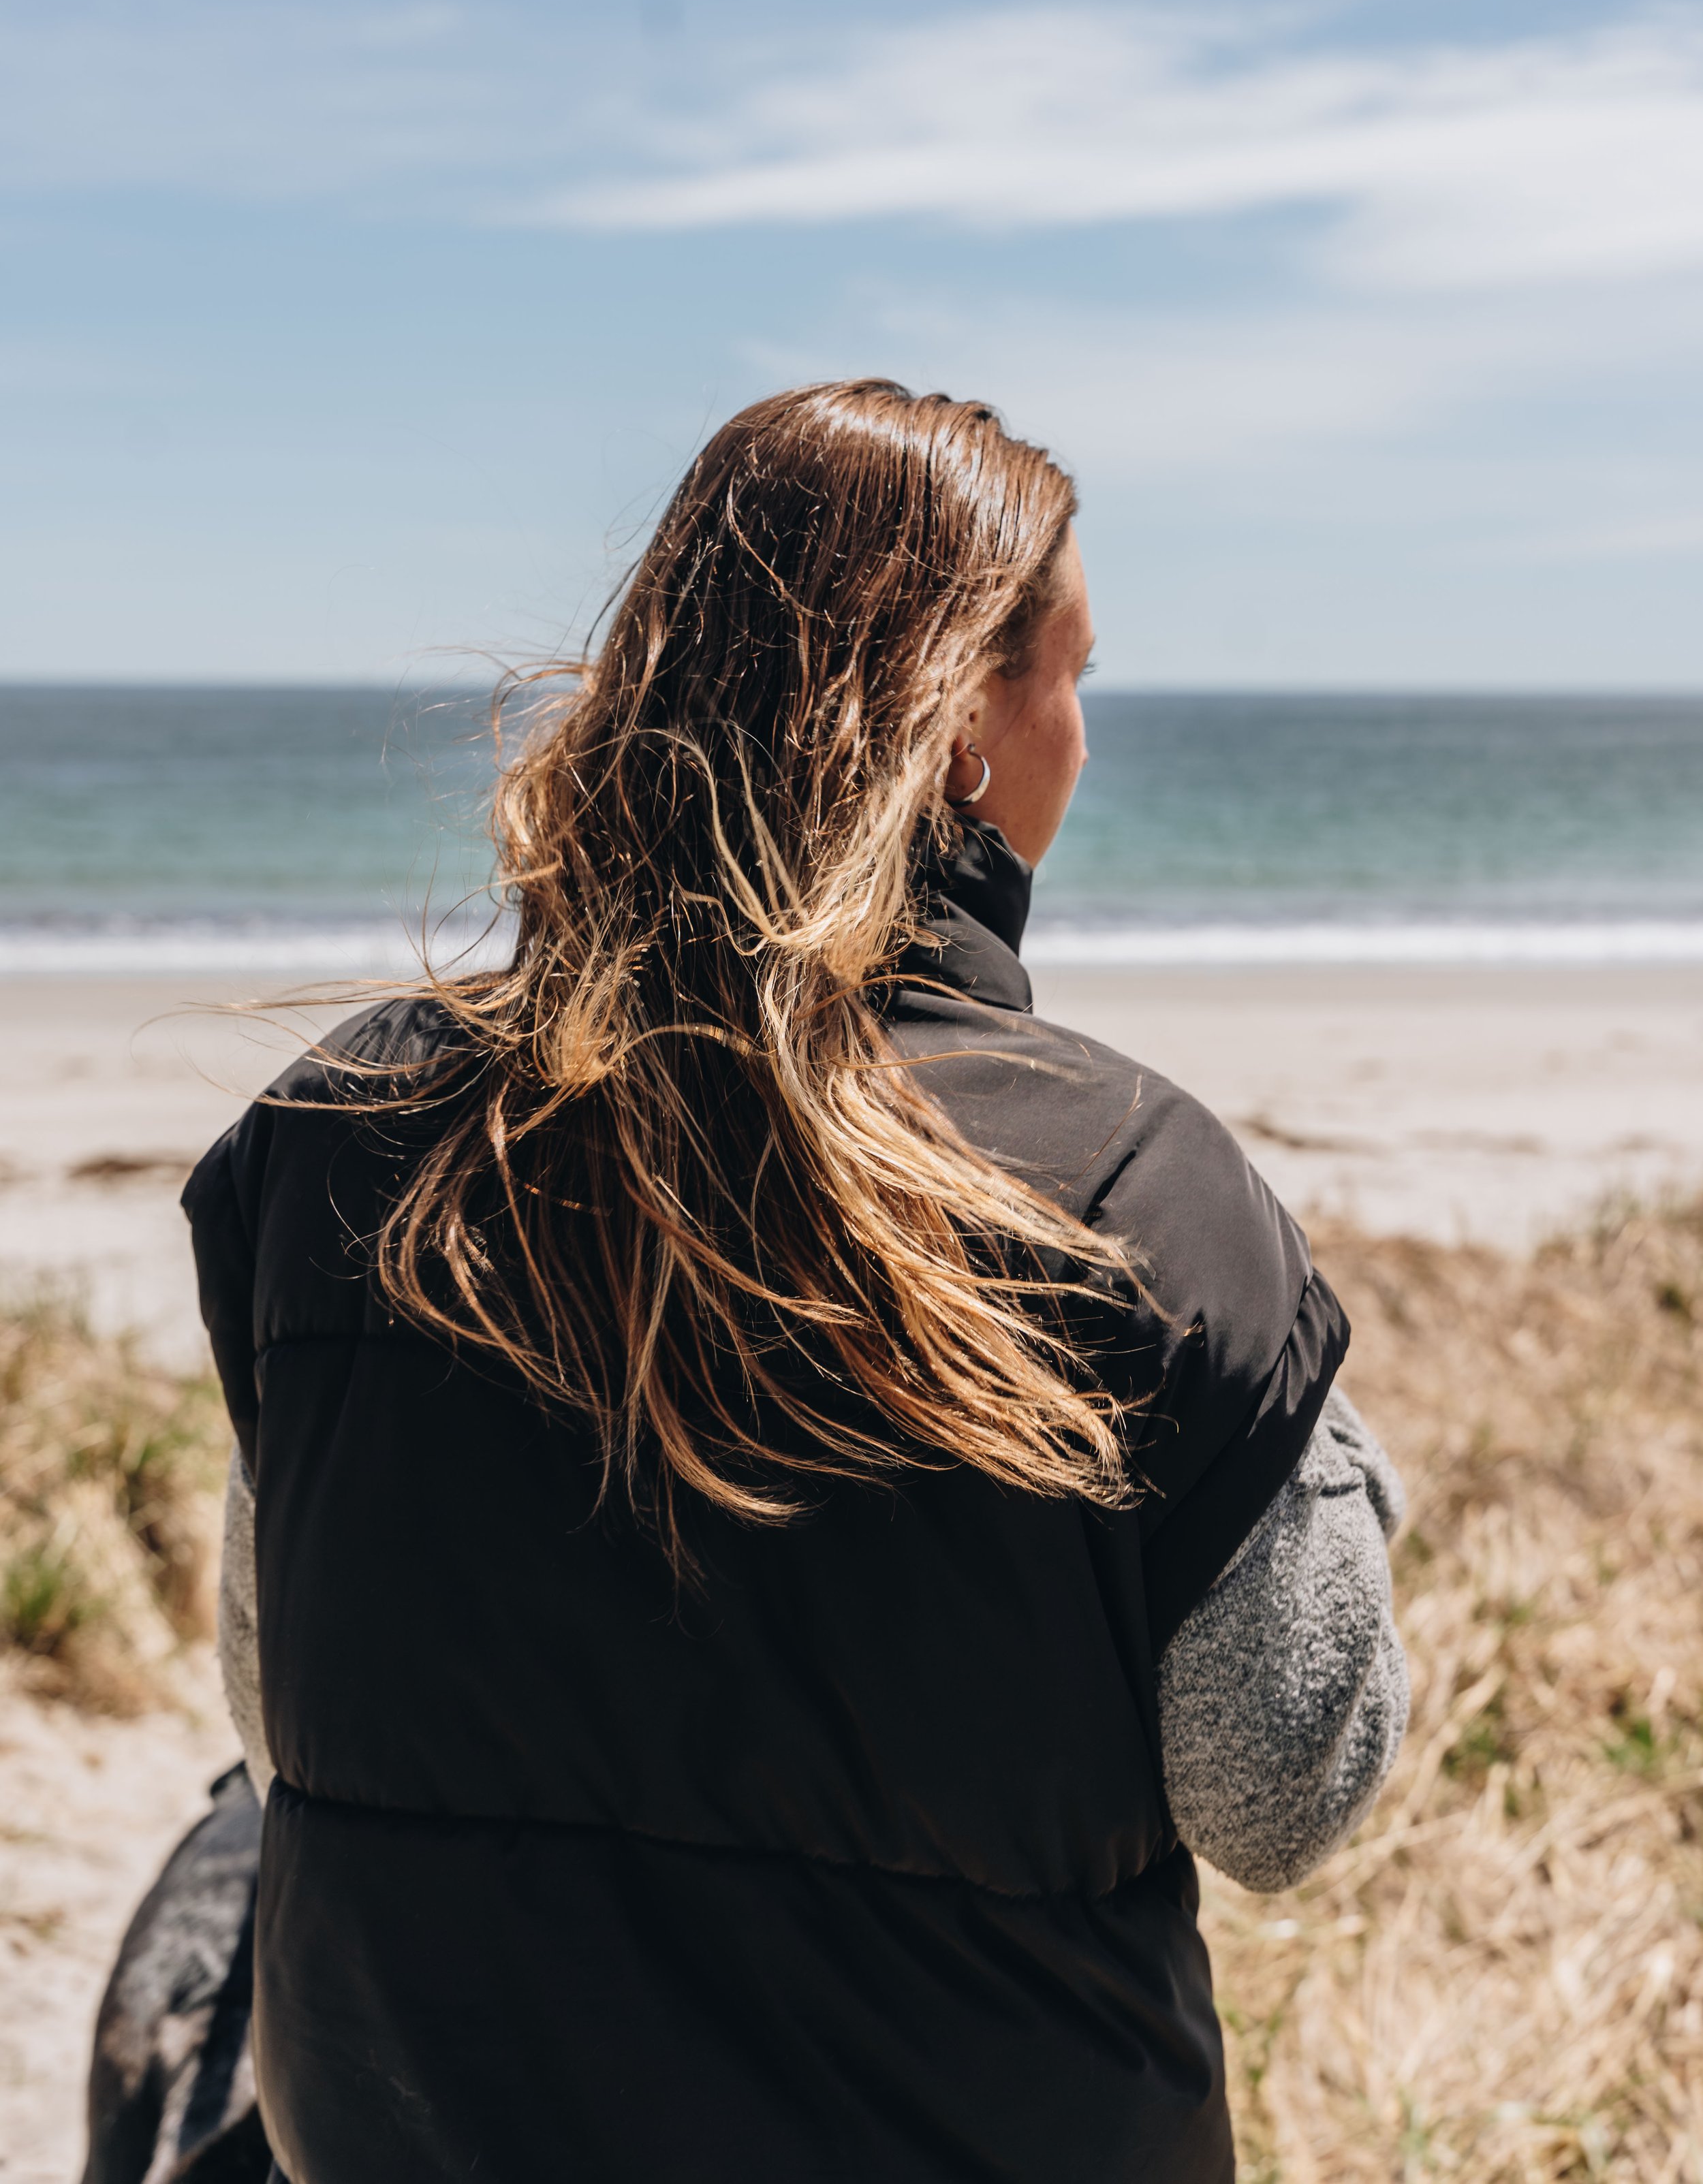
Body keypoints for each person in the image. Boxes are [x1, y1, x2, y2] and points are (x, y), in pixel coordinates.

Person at [185, 380, 1407, 2184]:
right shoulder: (1132, 1191)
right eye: (1069, 672)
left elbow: (272, 1699)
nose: (1081, 733)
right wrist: (1316, 1434)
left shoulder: (336, 1139)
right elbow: (1281, 1792)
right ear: (969, 733)